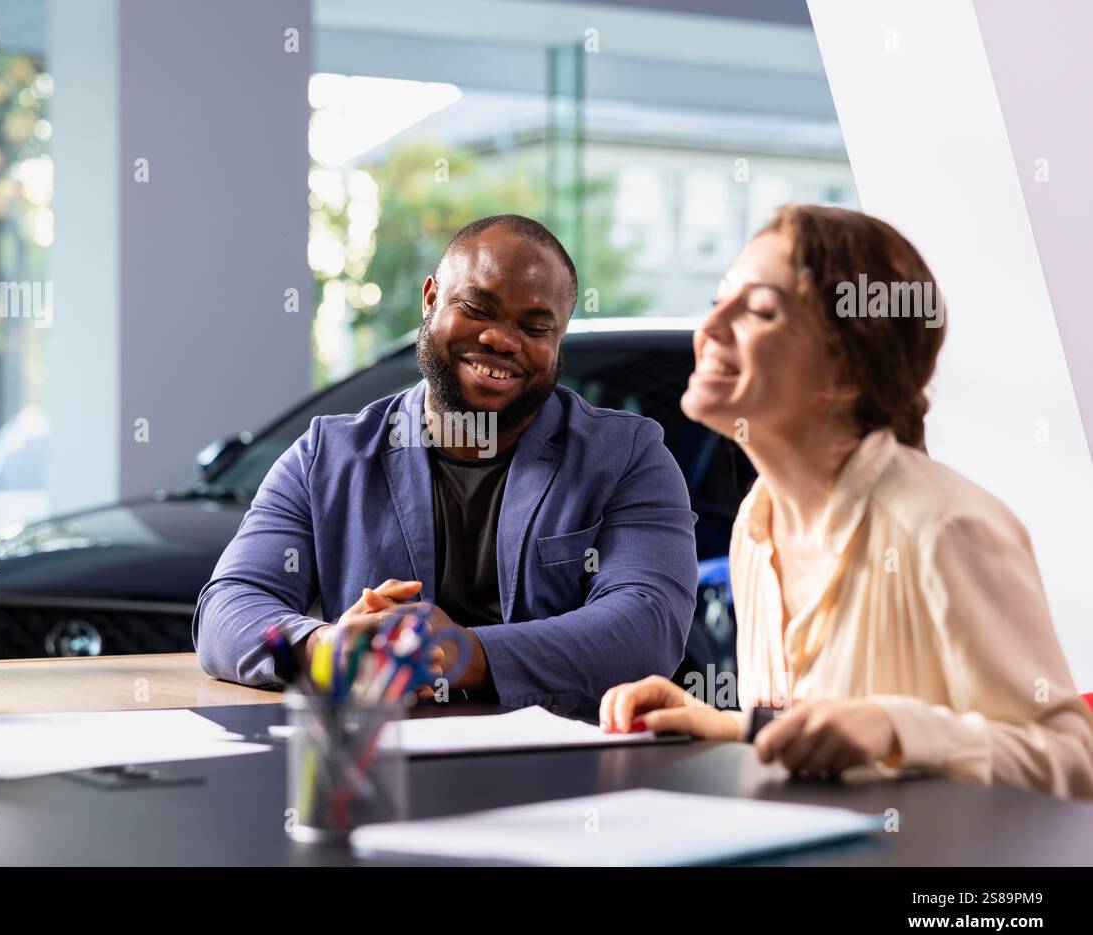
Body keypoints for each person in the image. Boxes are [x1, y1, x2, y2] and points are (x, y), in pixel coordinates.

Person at [601, 204, 1093, 799]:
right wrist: (733, 726)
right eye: (716, 303)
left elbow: (1073, 763)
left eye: (757, 311)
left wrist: (896, 727)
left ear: (846, 372)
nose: (709, 330)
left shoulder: (948, 528)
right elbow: (831, 745)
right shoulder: (757, 528)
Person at [193, 214, 698, 717]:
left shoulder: (628, 456)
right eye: (478, 308)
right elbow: (227, 608)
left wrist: (460, 654)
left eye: (535, 326)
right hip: (381, 772)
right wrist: (327, 648)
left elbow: (647, 625)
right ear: (431, 298)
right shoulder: (326, 456)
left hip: (565, 775)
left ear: (559, 337)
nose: (503, 340)